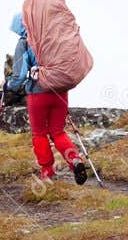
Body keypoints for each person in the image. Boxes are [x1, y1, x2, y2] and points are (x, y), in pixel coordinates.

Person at [8, 12, 88, 184]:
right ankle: (75, 160)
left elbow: (19, 75)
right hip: (61, 91)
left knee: (39, 133)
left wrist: (9, 85)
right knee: (58, 132)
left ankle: (47, 171)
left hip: (38, 93)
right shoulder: (55, 37)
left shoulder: (25, 42)